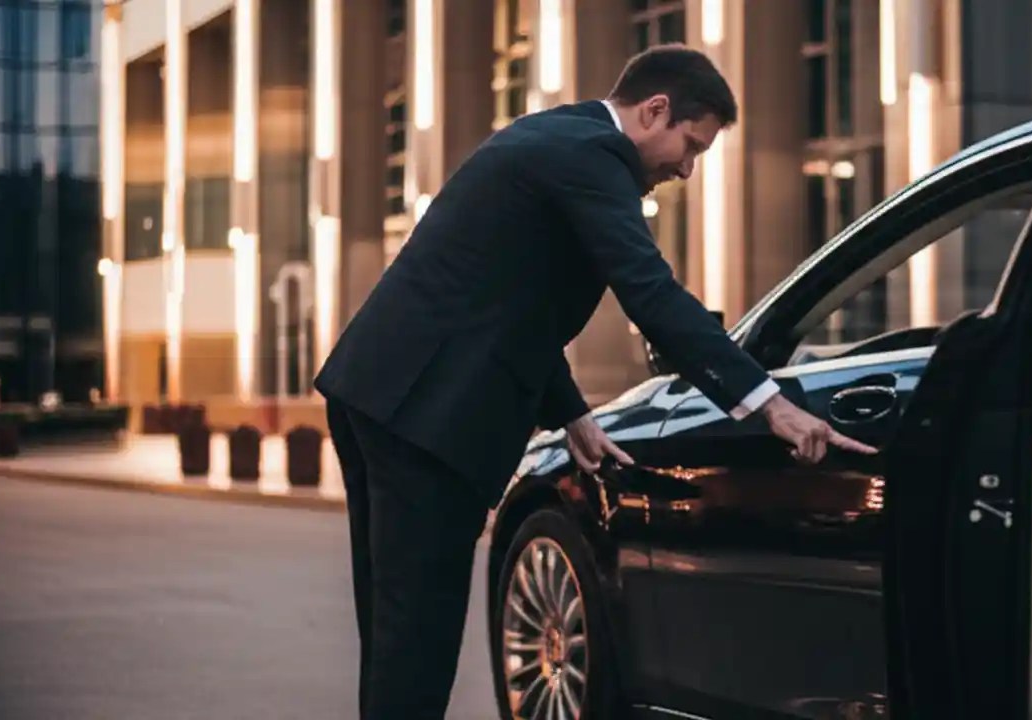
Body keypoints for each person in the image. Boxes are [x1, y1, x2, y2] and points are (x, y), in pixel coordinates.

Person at [313, 43, 877, 719]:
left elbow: (509, 305)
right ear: (654, 110)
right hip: (427, 412)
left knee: (396, 627)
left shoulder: (557, 138)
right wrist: (768, 402)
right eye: (689, 146)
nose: (687, 171)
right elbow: (651, 294)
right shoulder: (592, 159)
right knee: (418, 631)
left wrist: (573, 415)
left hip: (382, 393)